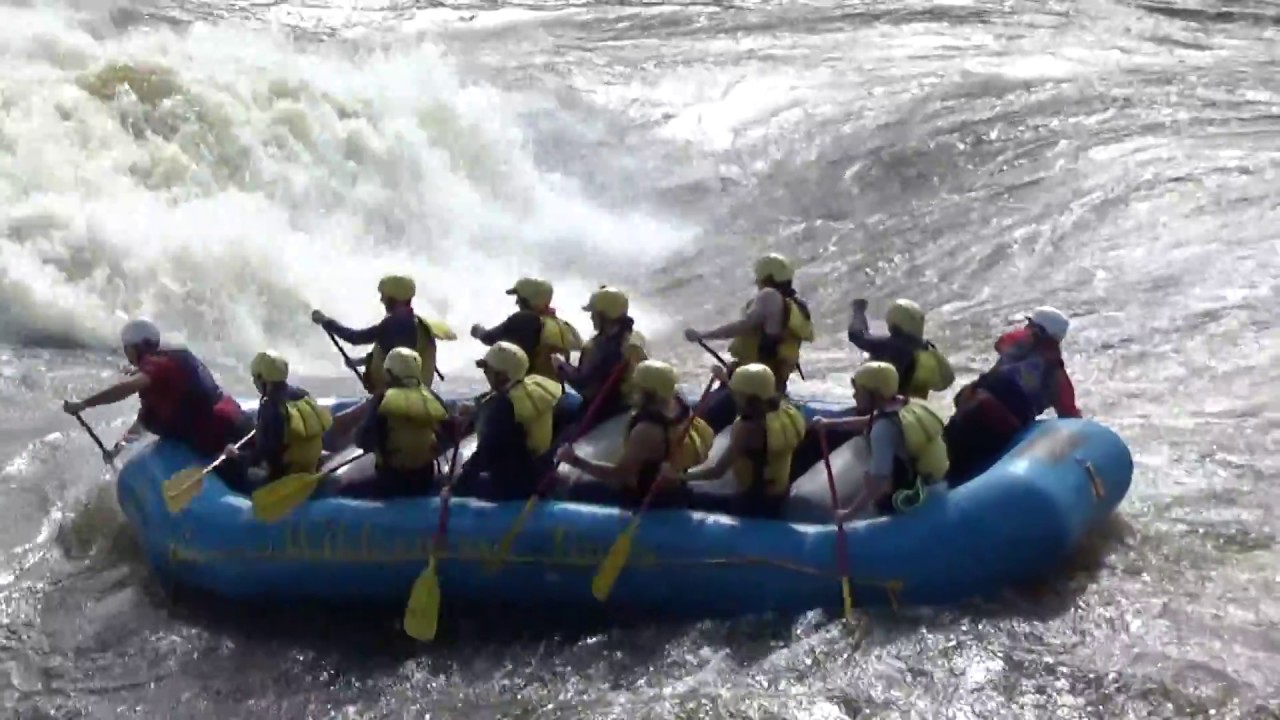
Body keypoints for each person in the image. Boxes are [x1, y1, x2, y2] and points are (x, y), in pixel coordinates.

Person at [61, 318, 250, 469]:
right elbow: (145, 419)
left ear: (137, 347)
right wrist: (117, 449)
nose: (127, 354)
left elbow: (127, 388)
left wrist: (84, 404)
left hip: (216, 433)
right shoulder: (176, 356)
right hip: (234, 417)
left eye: (127, 349)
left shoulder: (155, 365)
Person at [944, 306, 1082, 486]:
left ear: (1038, 330)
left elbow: (1002, 342)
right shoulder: (1056, 372)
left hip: (975, 408)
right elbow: (1068, 413)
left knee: (949, 454)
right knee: (969, 465)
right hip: (1002, 426)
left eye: (1029, 324)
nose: (1025, 328)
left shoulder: (1016, 346)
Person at [556, 360, 713, 509]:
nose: (633, 391)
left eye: (637, 388)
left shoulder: (647, 430)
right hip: (672, 482)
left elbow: (619, 477)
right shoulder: (679, 403)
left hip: (648, 497)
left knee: (574, 489)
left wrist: (575, 460)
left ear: (648, 393)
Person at [683, 253, 814, 432]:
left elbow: (743, 325)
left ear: (765, 276)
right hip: (772, 385)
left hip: (748, 387)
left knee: (696, 426)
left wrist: (703, 335)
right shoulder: (797, 305)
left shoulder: (768, 296)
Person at [816, 362, 949, 521]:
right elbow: (871, 420)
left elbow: (879, 481)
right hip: (935, 484)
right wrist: (830, 424)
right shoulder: (903, 404)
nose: (854, 396)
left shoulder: (882, 431)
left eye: (859, 391)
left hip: (912, 498)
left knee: (870, 487)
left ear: (874, 395)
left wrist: (848, 513)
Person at [673, 363, 806, 519]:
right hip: (779, 494)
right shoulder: (785, 409)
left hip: (752, 504)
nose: (733, 396)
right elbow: (751, 389)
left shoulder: (748, 428)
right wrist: (724, 379)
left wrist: (679, 477)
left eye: (737, 394)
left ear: (748, 397)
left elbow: (717, 471)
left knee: (683, 497)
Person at [454, 342, 563, 501]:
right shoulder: (534, 393)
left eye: (487, 370)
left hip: (511, 487)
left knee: (448, 482)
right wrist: (476, 411)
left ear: (502, 376)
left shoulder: (505, 406)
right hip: (542, 476)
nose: (485, 373)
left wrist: (457, 487)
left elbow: (485, 452)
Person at [310, 274, 455, 393]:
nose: (381, 300)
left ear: (394, 299)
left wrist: (326, 322)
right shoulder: (417, 323)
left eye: (384, 297)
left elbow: (355, 338)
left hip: (395, 397)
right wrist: (360, 362)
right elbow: (399, 357)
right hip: (420, 393)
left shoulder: (394, 324)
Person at [337, 348, 450, 498]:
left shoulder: (383, 399)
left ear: (389, 373)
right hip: (425, 478)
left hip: (392, 480)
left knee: (344, 490)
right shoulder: (431, 397)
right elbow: (447, 434)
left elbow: (364, 440)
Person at [225, 351, 332, 489]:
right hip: (311, 465)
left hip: (285, 473)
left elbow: (267, 454)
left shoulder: (270, 407)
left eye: (255, 378)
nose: (254, 382)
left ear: (263, 379)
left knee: (230, 468)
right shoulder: (303, 395)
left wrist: (238, 456)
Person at [552, 286, 647, 440]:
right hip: (629, 403)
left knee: (559, 432)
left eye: (594, 314)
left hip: (604, 411)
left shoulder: (601, 349)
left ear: (604, 316)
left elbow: (584, 385)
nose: (591, 317)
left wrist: (560, 365)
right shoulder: (634, 338)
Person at [470, 277, 582, 380]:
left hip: (528, 388)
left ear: (529, 299)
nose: (516, 302)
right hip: (553, 389)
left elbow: (490, 338)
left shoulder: (524, 319)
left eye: (519, 298)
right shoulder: (561, 325)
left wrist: (479, 331)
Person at [848, 298, 955, 399]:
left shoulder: (891, 345)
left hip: (892, 406)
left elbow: (857, 335)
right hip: (918, 404)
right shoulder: (928, 348)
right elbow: (946, 380)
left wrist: (858, 310)